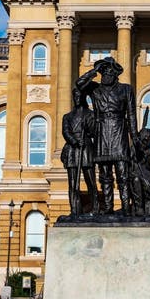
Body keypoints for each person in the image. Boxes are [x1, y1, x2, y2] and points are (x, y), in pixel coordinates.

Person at [76, 57, 139, 216]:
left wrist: (135, 136)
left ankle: (125, 207)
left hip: (119, 130)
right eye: (103, 73)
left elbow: (131, 114)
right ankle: (108, 207)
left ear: (115, 75)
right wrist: (94, 71)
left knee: (123, 174)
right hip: (101, 130)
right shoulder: (95, 89)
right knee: (104, 175)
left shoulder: (126, 89)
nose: (105, 76)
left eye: (108, 73)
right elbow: (79, 84)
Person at [61, 88, 98, 217]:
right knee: (73, 183)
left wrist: (87, 131)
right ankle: (75, 210)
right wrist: (75, 141)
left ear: (83, 98)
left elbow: (94, 132)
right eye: (75, 96)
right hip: (72, 149)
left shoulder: (90, 114)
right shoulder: (67, 117)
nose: (76, 98)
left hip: (86, 149)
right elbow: (65, 132)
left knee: (91, 181)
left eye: (79, 96)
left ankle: (95, 209)